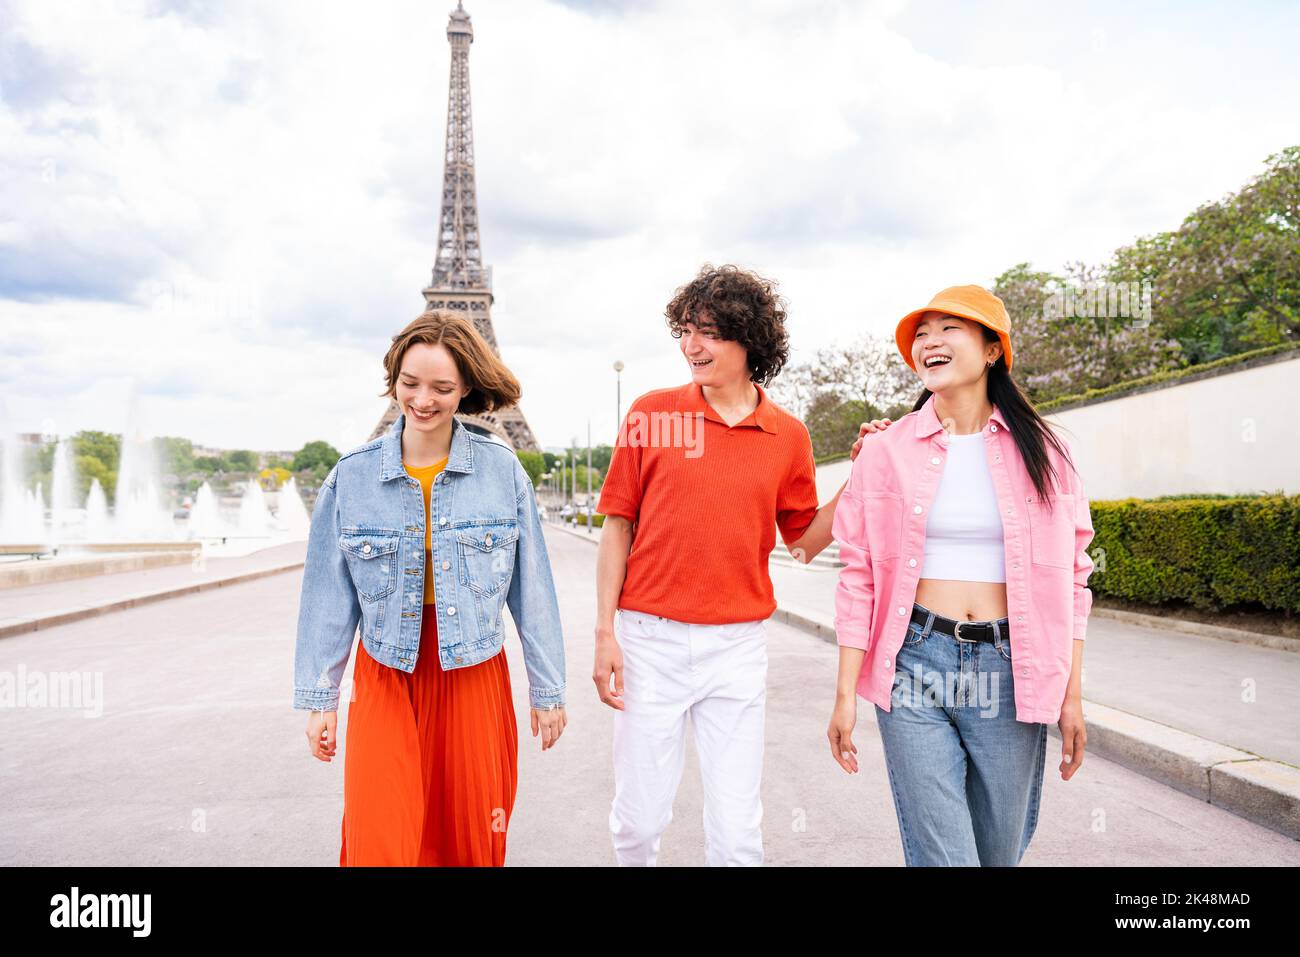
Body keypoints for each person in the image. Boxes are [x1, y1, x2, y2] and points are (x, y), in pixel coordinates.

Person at [593, 263, 887, 866]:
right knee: (639, 821)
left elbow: (803, 543)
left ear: (749, 340)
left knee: (737, 834)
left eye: (708, 333)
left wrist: (859, 477)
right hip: (650, 640)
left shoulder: (788, 436)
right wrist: (605, 633)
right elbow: (617, 525)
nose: (690, 346)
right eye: (684, 330)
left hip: (737, 649)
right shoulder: (652, 414)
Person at [827, 284, 1095, 866]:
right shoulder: (884, 450)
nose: (930, 341)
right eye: (921, 334)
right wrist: (846, 693)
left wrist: (1071, 696)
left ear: (993, 350)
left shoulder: (1047, 452)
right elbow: (858, 576)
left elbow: (1073, 578)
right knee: (944, 856)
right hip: (913, 662)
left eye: (949, 328)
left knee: (998, 852)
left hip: (1009, 665)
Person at [292, 310, 567, 866]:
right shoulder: (351, 475)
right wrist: (320, 699)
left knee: (468, 839)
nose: (422, 400)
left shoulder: (501, 469)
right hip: (387, 672)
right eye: (409, 384)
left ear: (465, 387)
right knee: (380, 839)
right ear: (393, 379)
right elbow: (328, 598)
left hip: (471, 672)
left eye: (441, 387)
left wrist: (548, 688)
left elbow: (531, 589)